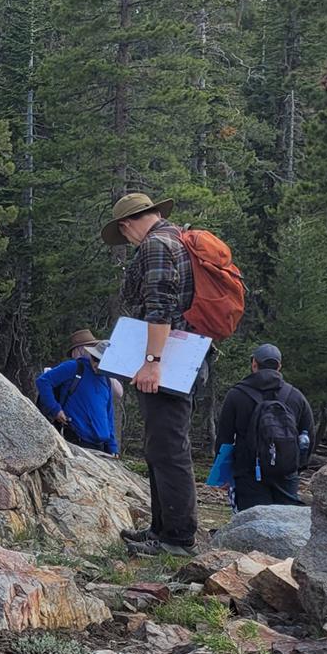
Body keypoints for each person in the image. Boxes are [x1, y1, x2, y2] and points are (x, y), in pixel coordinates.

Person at [105, 192, 201, 556]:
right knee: (160, 444)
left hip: (168, 362)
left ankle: (178, 538)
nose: (126, 240)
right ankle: (162, 528)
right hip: (181, 356)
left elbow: (160, 307)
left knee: (170, 446)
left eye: (124, 232)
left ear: (127, 225)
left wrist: (152, 361)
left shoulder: (156, 246)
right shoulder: (176, 239)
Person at [214, 344, 315, 510]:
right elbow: (308, 436)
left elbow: (224, 438)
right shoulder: (296, 396)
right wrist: (296, 467)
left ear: (254, 363)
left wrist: (224, 473)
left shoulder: (237, 394)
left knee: (251, 526)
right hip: (286, 474)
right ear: (279, 366)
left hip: (248, 473)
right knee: (286, 526)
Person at [35, 329, 120, 455]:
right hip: (77, 440)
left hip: (102, 446)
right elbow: (43, 381)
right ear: (90, 354)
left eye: (102, 361)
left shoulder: (106, 380)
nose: (97, 364)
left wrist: (113, 448)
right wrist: (55, 409)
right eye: (95, 358)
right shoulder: (74, 367)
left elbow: (109, 415)